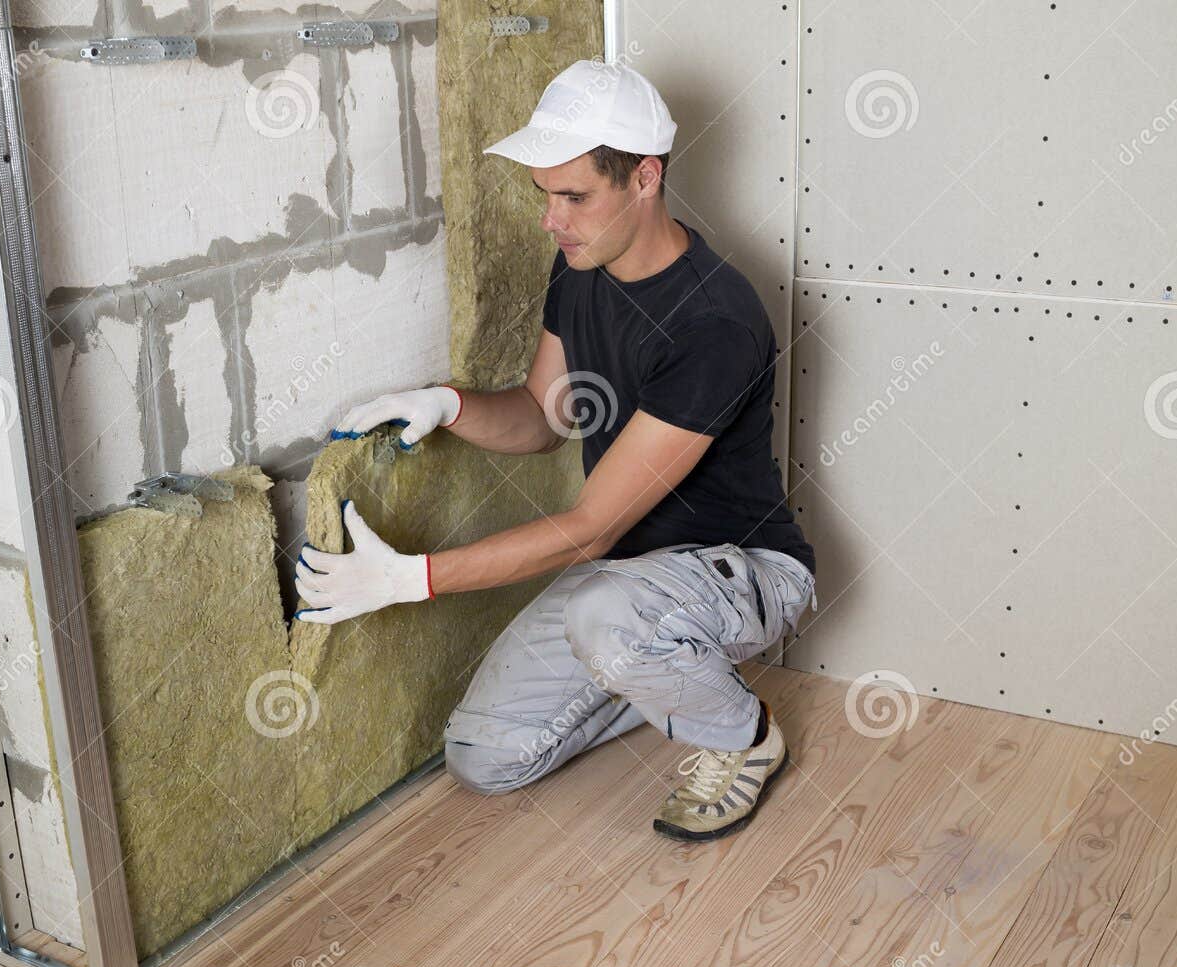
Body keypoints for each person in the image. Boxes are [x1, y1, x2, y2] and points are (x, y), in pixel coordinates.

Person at [294, 60, 816, 842]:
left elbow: (591, 528)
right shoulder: (581, 267)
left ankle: (745, 735)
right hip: (627, 579)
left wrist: (410, 578)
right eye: (546, 195)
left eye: (574, 196)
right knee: (483, 756)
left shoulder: (715, 323)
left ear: (645, 178)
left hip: (741, 571)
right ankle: (660, 671)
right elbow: (544, 417)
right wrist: (445, 404)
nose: (552, 219)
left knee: (607, 614)